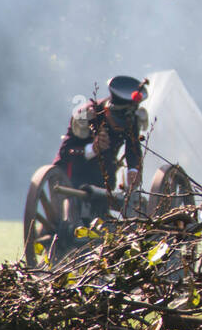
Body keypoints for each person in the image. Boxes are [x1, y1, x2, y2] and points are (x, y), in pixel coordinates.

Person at [54, 76, 148, 223]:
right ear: (107, 110)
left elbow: (133, 148)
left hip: (104, 181)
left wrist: (133, 171)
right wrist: (92, 149)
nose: (119, 127)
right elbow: (65, 152)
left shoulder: (131, 119)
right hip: (75, 177)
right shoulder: (86, 115)